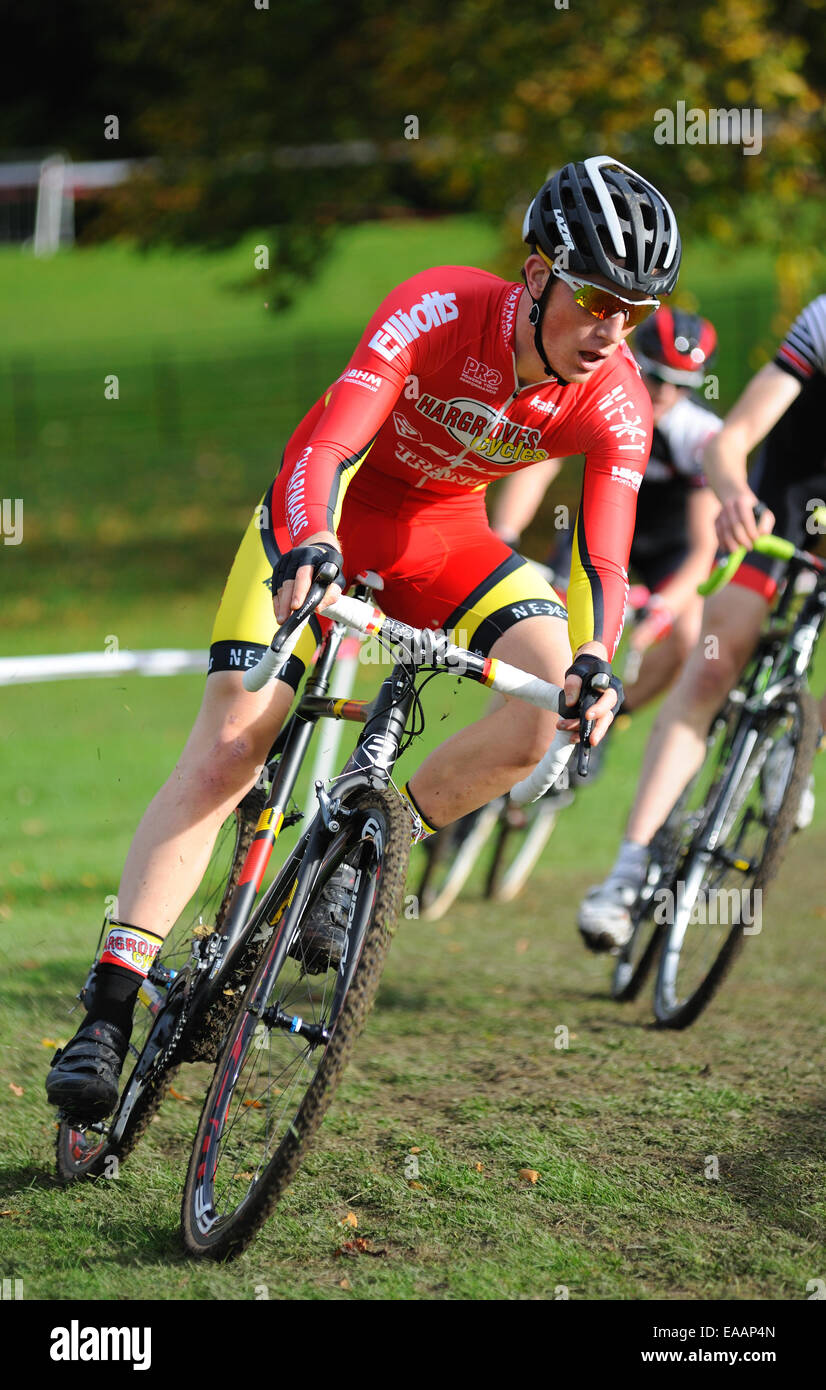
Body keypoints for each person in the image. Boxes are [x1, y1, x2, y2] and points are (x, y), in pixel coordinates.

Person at [47, 156, 680, 1121]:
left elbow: (602, 561)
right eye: (597, 295)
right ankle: (108, 1004)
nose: (611, 328)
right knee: (227, 752)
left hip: (444, 537)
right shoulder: (437, 307)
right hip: (327, 511)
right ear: (539, 272)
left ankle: (360, 860)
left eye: (635, 310)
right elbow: (327, 443)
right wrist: (308, 542)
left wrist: (595, 663)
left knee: (539, 720)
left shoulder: (618, 399)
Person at [577, 294, 826, 952]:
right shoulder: (824, 322)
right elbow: (733, 440)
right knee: (715, 660)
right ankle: (627, 873)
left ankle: (799, 742)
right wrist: (736, 494)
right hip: (785, 503)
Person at [493, 307, 722, 714]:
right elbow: (539, 467)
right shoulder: (595, 396)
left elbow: (705, 547)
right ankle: (521, 720)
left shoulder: (700, 436)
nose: (666, 393)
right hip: (598, 530)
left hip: (668, 547)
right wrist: (505, 534)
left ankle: (612, 715)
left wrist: (665, 606)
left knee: (687, 633)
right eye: (657, 378)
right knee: (548, 631)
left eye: (681, 385)